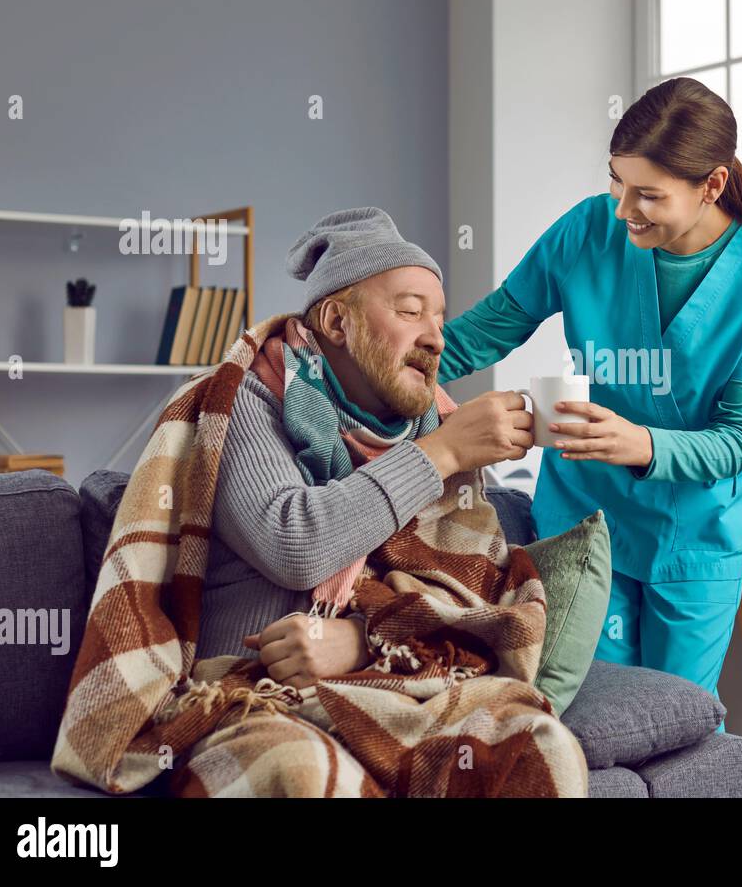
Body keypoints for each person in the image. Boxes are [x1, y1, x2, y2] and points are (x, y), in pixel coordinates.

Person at [438, 77, 742, 730]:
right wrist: (395, 369)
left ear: (712, 187)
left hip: (694, 536)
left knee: (677, 724)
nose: (622, 209)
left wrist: (639, 445)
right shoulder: (587, 231)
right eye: (616, 181)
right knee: (582, 719)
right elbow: (489, 328)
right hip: (586, 524)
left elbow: (737, 440)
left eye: (647, 195)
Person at [195, 207, 533, 689]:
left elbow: (476, 595)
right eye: (411, 311)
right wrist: (444, 453)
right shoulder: (245, 399)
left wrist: (363, 638)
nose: (437, 339)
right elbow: (295, 547)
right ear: (337, 321)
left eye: (439, 318)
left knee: (535, 740)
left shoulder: (432, 421)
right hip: (251, 689)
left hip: (392, 677)